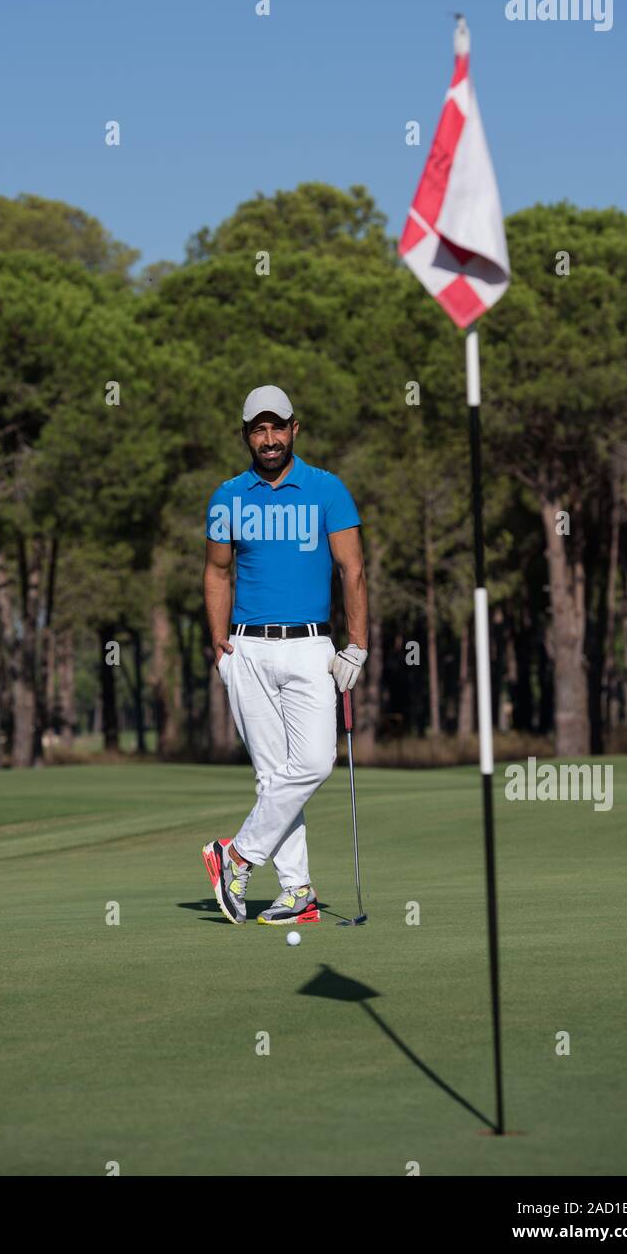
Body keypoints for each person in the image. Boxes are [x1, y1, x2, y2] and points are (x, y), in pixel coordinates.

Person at [201, 384, 368, 926]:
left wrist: (357, 644)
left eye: (277, 427)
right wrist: (219, 643)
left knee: (315, 762)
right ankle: (297, 891)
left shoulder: (327, 489)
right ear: (246, 435)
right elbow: (217, 571)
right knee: (272, 776)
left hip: (311, 645)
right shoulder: (228, 497)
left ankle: (237, 855)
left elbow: (352, 569)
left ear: (295, 429)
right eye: (259, 429)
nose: (269, 439)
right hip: (246, 647)